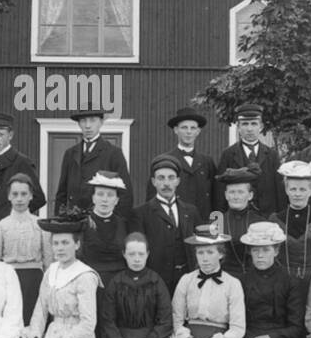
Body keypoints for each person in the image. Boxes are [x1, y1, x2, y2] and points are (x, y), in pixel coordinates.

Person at [129, 154, 202, 294]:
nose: (166, 183)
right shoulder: (141, 213)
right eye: (161, 178)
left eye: (171, 178)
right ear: (153, 181)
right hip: (155, 282)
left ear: (178, 181)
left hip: (187, 281)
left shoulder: (191, 211)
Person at [0, 173, 51, 325]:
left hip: (34, 281)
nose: (19, 198)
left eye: (24, 194)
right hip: (10, 279)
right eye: (15, 194)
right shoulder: (1, 226)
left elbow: (48, 261)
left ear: (31, 196)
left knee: (33, 321)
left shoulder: (41, 225)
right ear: (9, 197)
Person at [54, 109, 133, 217]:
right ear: (79, 124)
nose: (87, 125)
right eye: (83, 121)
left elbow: (125, 194)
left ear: (101, 122)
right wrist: (59, 222)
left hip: (101, 223)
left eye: (92, 120)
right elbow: (61, 194)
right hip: (73, 221)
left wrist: (116, 223)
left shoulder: (113, 153)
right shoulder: (70, 154)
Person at [147, 107, 217, 220]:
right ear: (176, 130)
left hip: (203, 222)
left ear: (198, 131)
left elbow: (215, 195)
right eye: (184, 127)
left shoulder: (207, 161)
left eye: (193, 128)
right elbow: (152, 197)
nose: (189, 132)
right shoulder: (164, 161)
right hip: (175, 221)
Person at [215, 103, 284, 215]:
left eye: (254, 124)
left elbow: (279, 191)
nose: (249, 129)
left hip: (266, 217)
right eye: (245, 124)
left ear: (261, 126)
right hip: (237, 217)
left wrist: (279, 217)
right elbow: (220, 190)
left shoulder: (272, 155)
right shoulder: (228, 154)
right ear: (238, 127)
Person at [270, 160, 311, 288]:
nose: (297, 194)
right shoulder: (276, 219)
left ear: (310, 191)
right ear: (286, 190)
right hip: (282, 283)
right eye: (293, 189)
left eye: (302, 189)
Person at [79, 171, 131, 283]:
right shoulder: (83, 224)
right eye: (100, 194)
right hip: (90, 282)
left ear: (116, 200)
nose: (105, 199)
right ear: (93, 198)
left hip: (120, 283)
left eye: (110, 195)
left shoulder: (125, 224)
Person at [216, 165, 267, 278]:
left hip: (255, 278)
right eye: (232, 192)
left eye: (240, 192)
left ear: (250, 195)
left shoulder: (260, 222)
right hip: (225, 279)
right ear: (226, 195)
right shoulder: (217, 223)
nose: (236, 197)